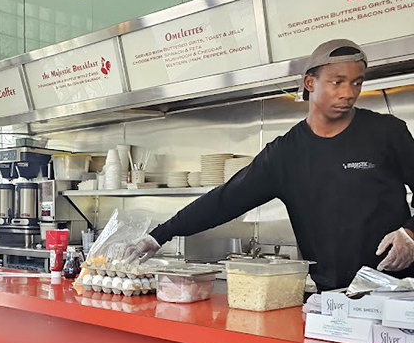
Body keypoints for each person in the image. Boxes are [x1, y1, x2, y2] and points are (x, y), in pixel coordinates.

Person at [124, 38, 414, 292]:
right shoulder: (285, 154)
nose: (348, 92)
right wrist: (159, 235)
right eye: (337, 81)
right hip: (334, 295)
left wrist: (410, 232)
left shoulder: (387, 133)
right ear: (310, 83)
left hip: (400, 289)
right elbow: (225, 200)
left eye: (357, 82)